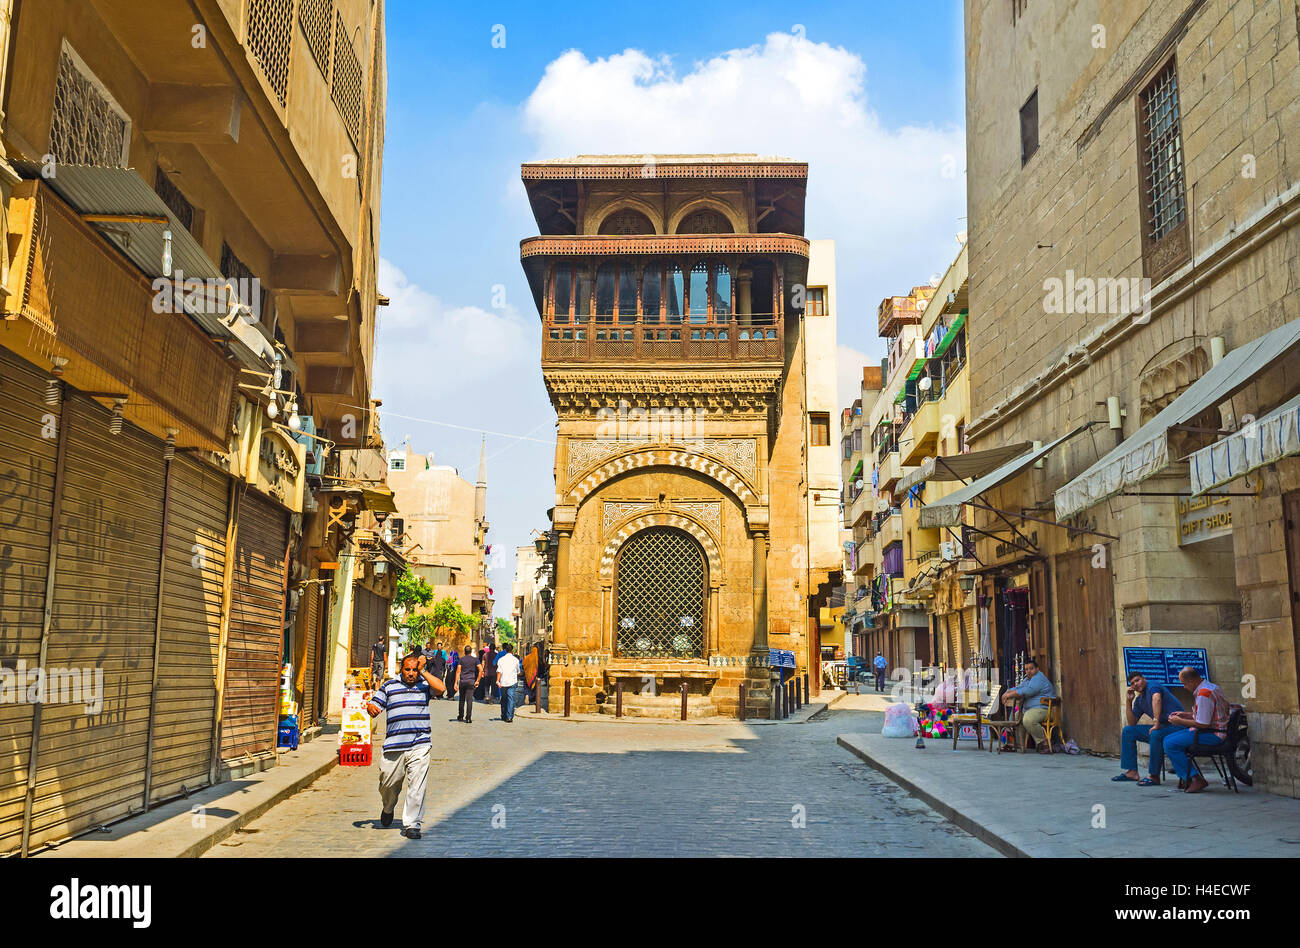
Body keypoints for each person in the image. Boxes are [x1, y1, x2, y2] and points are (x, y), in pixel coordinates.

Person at [366, 652, 446, 839]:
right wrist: (371, 707)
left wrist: (423, 670)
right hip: (394, 746)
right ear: (400, 669)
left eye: (414, 669)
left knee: (417, 786)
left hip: (420, 744)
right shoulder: (389, 686)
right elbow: (374, 704)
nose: (411, 673)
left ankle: (413, 824)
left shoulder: (425, 686)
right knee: (387, 783)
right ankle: (388, 807)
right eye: (407, 669)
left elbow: (441, 688)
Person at [1164, 666, 1231, 793]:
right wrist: (1186, 715)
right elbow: (1206, 715)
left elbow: (1203, 723)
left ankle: (1195, 779)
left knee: (1170, 743)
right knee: (1168, 739)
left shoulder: (1204, 694)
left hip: (1214, 734)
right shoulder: (1211, 687)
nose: (1184, 687)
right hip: (1213, 730)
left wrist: (1180, 721)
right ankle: (1186, 777)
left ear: (1191, 681)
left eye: (1184, 684)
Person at [1114, 671, 1184, 785]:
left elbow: (1156, 699)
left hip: (1178, 726)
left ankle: (1154, 776)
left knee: (1156, 734)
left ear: (1144, 679)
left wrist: (1156, 723)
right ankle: (1132, 772)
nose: (1136, 684)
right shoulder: (1139, 700)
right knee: (1128, 731)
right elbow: (1132, 723)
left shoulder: (1153, 685)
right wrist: (1128, 701)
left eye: (1137, 680)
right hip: (1163, 728)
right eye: (1132, 683)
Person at [1001, 658, 1058, 754]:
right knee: (1015, 718)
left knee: (1028, 719)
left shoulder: (1039, 678)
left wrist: (1010, 694)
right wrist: (1008, 691)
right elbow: (1019, 687)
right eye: (1026, 669)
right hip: (1030, 710)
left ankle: (1043, 742)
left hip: (1043, 709)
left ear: (1037, 669)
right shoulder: (1028, 679)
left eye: (1031, 668)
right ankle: (1017, 744)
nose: (1028, 671)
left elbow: (1029, 690)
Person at [455, 644, 482, 723]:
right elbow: (481, 670)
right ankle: (468, 718)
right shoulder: (475, 660)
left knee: (462, 699)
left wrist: (455, 683)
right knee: (469, 700)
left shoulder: (461, 660)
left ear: (464, 652)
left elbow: (458, 671)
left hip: (463, 681)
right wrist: (478, 680)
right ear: (471, 651)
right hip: (471, 681)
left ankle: (460, 716)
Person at [496, 643, 522, 722]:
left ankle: (504, 714)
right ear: (512, 650)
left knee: (504, 698)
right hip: (512, 681)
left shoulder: (501, 660)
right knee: (511, 698)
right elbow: (518, 671)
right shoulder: (516, 660)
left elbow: (499, 671)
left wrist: (497, 680)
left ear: (505, 650)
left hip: (503, 682)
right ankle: (509, 716)